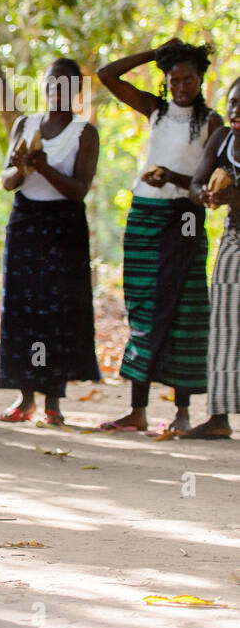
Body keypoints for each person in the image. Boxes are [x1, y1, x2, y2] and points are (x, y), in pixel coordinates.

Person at [96, 39, 220, 434]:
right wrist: (155, 54)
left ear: (201, 79)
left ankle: (182, 413)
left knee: (184, 312)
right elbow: (105, 75)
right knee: (144, 310)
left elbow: (204, 188)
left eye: (189, 78)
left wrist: (174, 177)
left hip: (184, 220)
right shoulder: (156, 110)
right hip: (145, 218)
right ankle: (137, 410)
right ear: (166, 80)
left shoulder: (213, 123)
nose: (182, 85)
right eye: (174, 77)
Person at [0, 59, 102, 426]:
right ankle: (25, 398)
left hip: (64, 227)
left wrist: (42, 166)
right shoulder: (25, 125)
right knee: (23, 311)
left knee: (59, 312)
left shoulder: (84, 132)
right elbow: (7, 180)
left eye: (66, 86)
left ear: (77, 92)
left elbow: (79, 190)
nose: (58, 91)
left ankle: (54, 400)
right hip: (25, 222)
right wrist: (21, 167)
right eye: (52, 84)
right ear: (43, 87)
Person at [182, 74, 240, 440]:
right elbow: (194, 185)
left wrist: (231, 195)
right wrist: (205, 195)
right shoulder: (223, 139)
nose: (236, 111)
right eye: (233, 103)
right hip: (234, 240)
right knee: (223, 328)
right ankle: (219, 416)